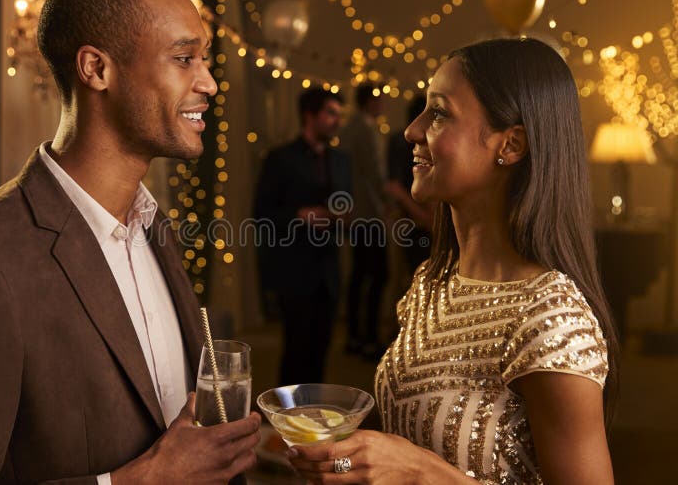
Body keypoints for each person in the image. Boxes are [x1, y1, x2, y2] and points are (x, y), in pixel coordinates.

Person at [0, 0, 261, 483]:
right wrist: (137, 481)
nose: (209, 83)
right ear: (96, 69)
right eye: (184, 59)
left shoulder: (154, 227)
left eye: (206, 60)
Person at [288, 37, 618, 484]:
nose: (412, 130)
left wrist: (422, 473)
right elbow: (400, 450)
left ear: (512, 144)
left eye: (439, 113)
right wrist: (346, 464)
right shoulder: (430, 284)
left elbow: (415, 466)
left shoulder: (550, 316)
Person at [254, 87, 350, 386]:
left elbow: (347, 203)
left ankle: (315, 421)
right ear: (310, 116)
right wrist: (299, 215)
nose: (336, 121)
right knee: (296, 350)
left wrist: (341, 215)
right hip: (294, 268)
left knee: (321, 350)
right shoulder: (280, 158)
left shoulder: (341, 160)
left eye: (339, 114)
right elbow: (261, 214)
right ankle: (288, 420)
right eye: (331, 113)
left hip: (328, 269)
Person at [338, 83, 389, 359]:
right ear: (369, 102)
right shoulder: (367, 129)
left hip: (354, 212)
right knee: (377, 274)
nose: (382, 105)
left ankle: (356, 335)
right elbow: (375, 174)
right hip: (368, 213)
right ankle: (368, 336)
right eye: (379, 99)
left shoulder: (348, 128)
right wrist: (389, 203)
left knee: (359, 274)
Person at [386, 95, 435, 275]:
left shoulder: (435, 169)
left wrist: (400, 194)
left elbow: (431, 221)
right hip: (410, 232)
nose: (410, 133)